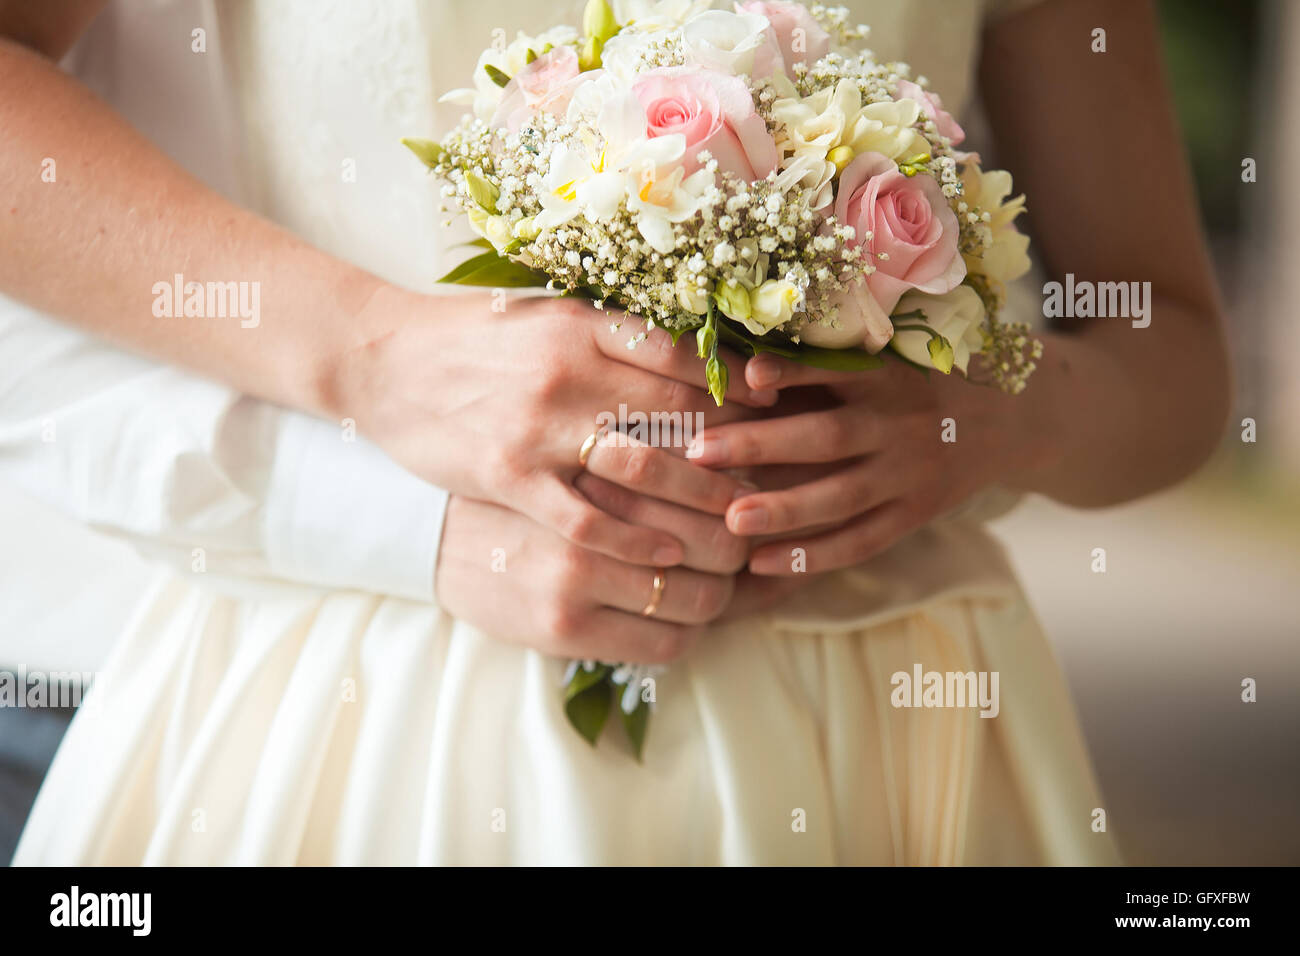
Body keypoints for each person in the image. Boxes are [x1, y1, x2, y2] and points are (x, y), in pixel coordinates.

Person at [1, 0, 1225, 864]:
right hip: (356, 709)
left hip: (886, 720)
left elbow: (1171, 353)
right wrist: (376, 358)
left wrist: (998, 416)